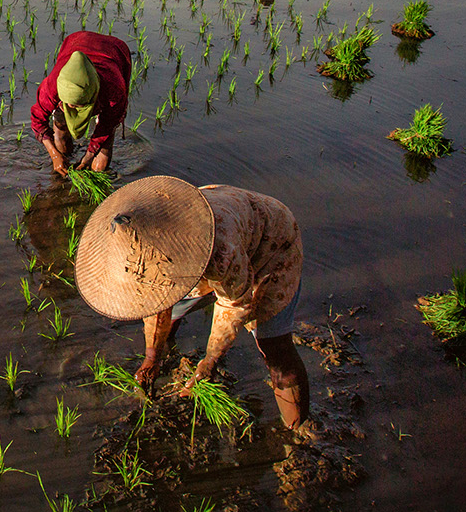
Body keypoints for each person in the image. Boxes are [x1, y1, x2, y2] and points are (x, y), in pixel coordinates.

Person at [74, 175, 310, 427]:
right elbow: (154, 298)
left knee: (274, 348)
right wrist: (151, 357)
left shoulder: (221, 250)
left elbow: (234, 304)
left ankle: (298, 432)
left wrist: (210, 361)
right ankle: (162, 359)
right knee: (168, 312)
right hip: (203, 240)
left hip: (270, 245)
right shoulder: (143, 230)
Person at [30, 30, 131, 176]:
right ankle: (64, 163)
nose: (73, 109)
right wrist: (55, 155)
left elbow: (107, 126)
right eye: (70, 105)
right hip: (77, 41)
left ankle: (98, 176)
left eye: (80, 106)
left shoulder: (113, 89)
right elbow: (37, 120)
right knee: (60, 125)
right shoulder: (53, 86)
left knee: (105, 143)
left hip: (112, 51)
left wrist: (88, 157)